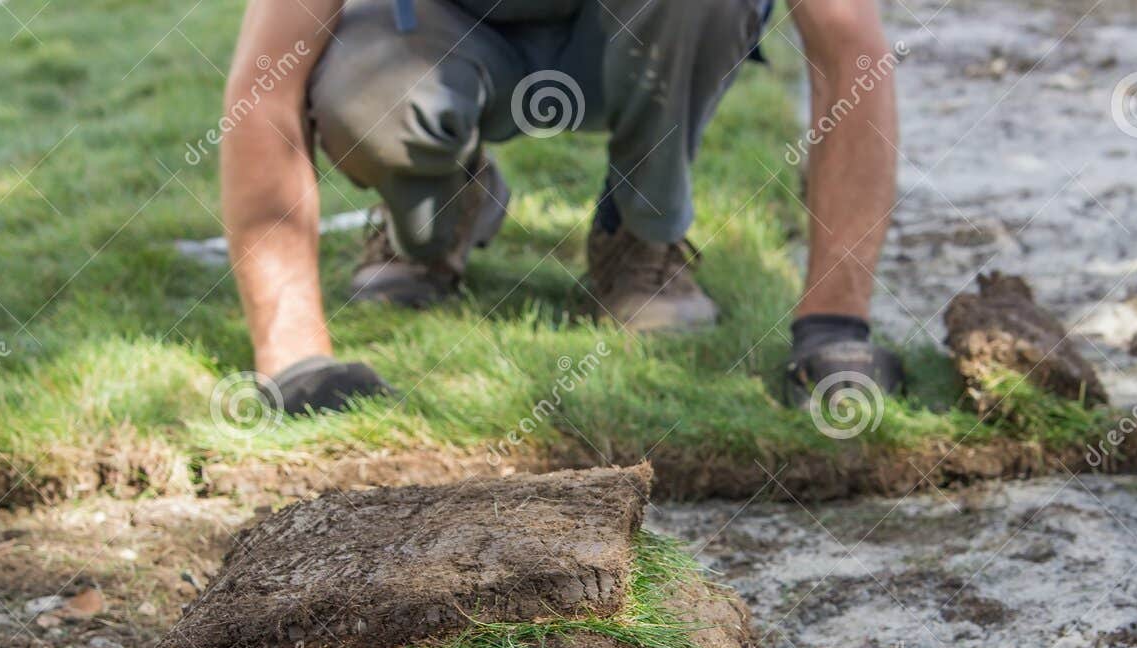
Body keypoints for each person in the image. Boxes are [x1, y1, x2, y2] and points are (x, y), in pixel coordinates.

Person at [220, 0, 902, 414]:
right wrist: (295, 358)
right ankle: (438, 208)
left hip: (627, 35)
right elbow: (265, 83)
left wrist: (833, 327)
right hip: (438, 31)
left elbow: (850, 46)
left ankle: (638, 230)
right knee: (364, 96)